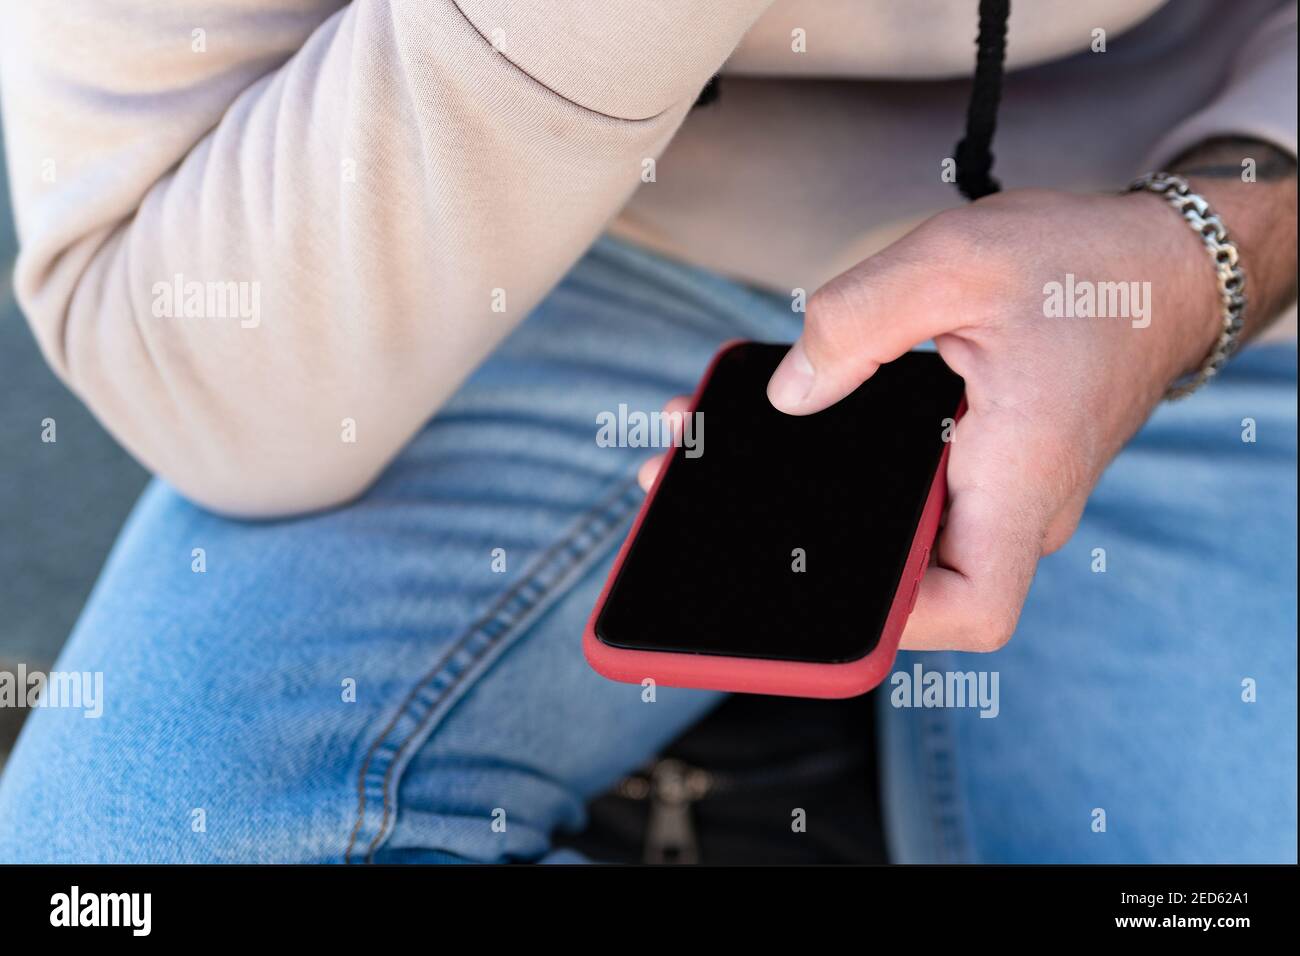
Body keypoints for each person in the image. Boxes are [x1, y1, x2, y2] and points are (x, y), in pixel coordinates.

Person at [0, 0, 1294, 863]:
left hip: (1188, 225)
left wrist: (1201, 263)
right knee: (134, 850)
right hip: (536, 239)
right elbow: (184, 359)